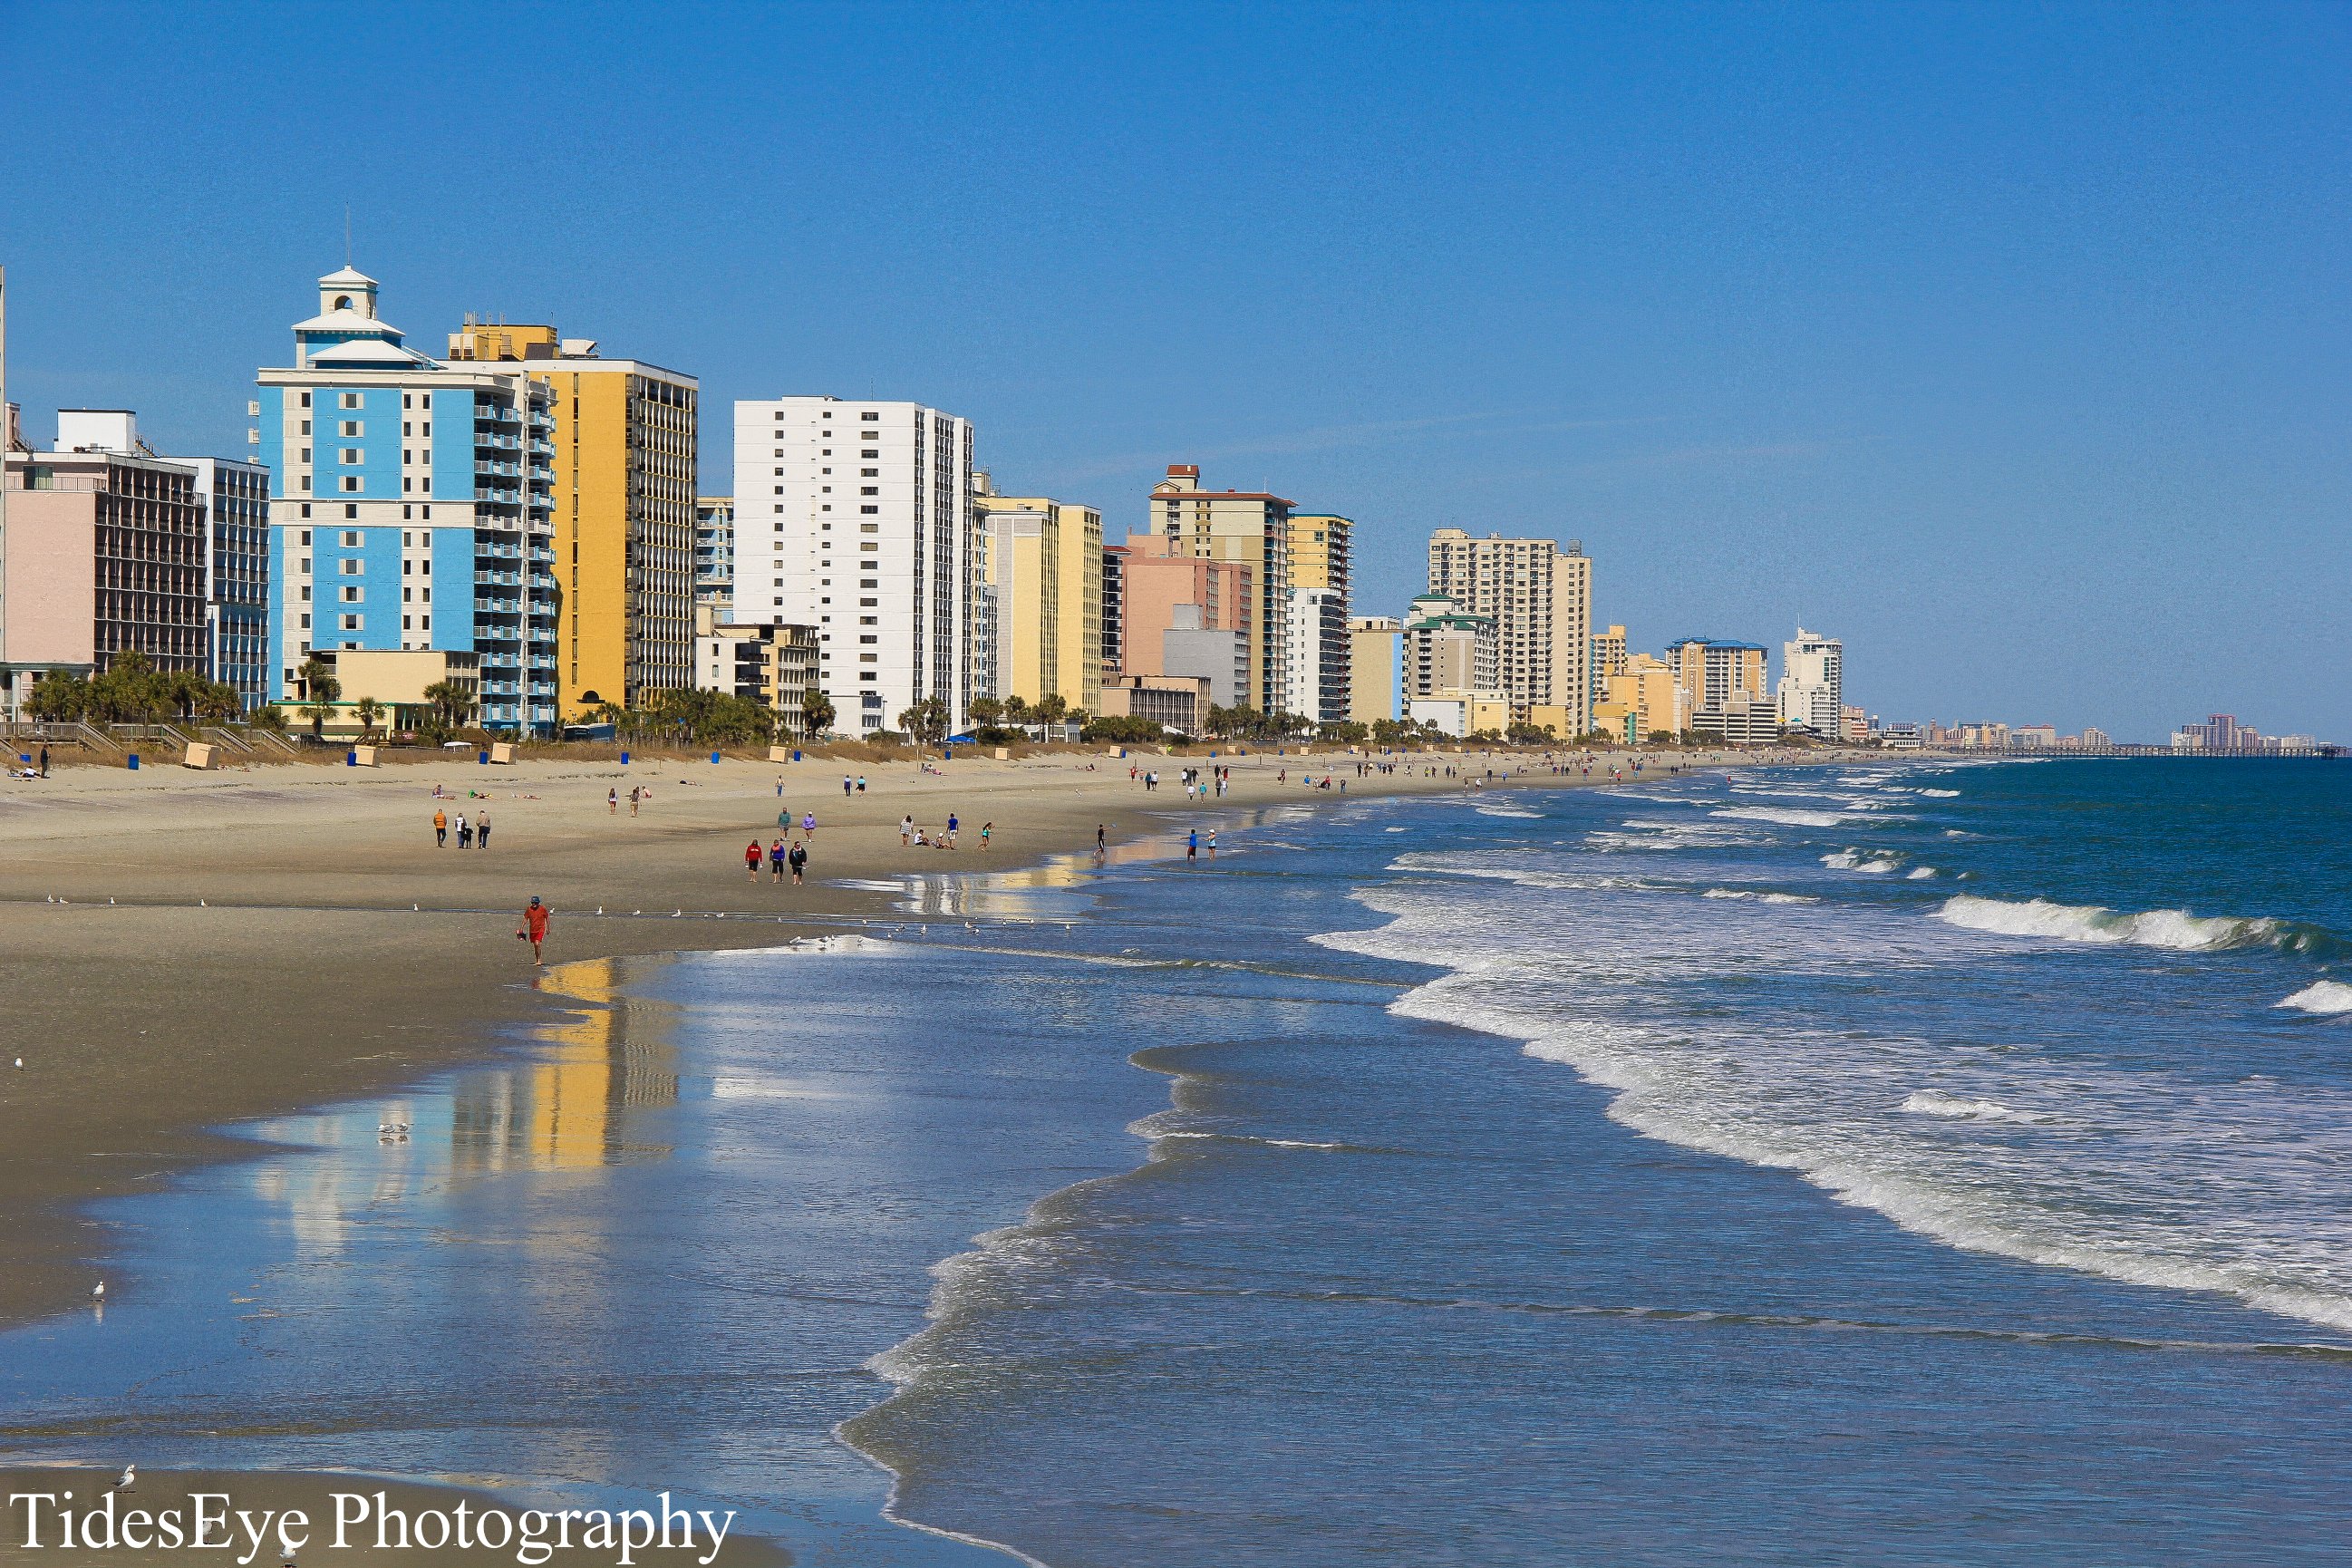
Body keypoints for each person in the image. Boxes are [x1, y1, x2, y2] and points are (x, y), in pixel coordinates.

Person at [517, 895, 549, 966]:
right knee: (535, 945)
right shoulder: (529, 909)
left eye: (535, 903)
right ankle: (537, 959)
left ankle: (539, 960)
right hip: (532, 930)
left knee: (537, 943)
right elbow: (525, 919)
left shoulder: (542, 909)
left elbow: (547, 918)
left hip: (540, 929)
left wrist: (548, 928)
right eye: (533, 903)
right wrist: (521, 928)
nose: (534, 904)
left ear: (538, 903)